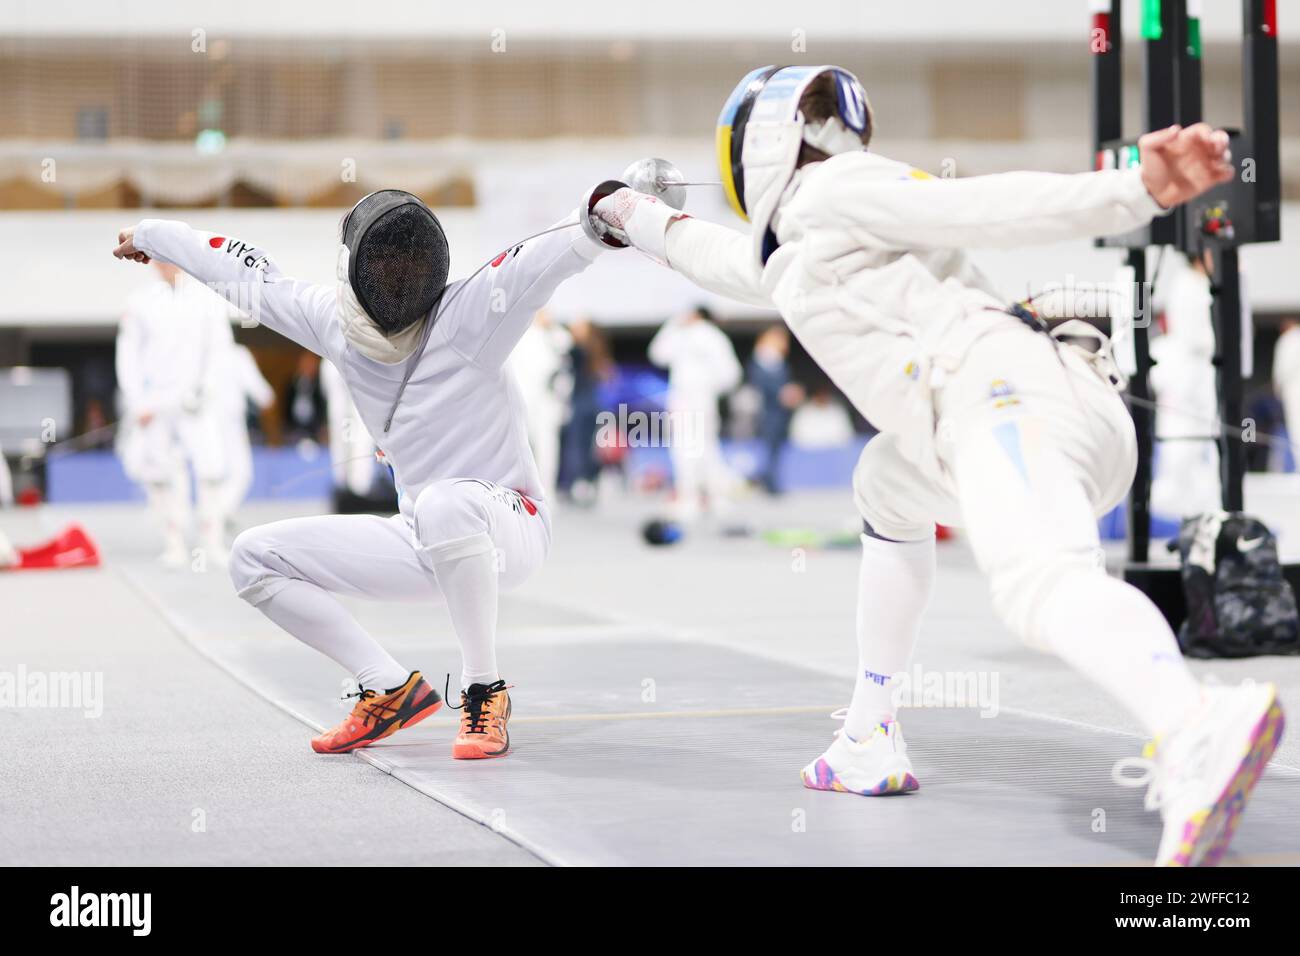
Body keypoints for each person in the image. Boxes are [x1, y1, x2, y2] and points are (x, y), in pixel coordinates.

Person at [592, 64, 1283, 866]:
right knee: (885, 482)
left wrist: (1136, 188)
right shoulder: (797, 246)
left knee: (1040, 589)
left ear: (757, 143)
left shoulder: (831, 193)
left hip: (1005, 397)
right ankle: (868, 737)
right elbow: (706, 252)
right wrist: (621, 210)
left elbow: (983, 204)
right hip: (1023, 408)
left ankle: (1196, 723)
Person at [113, 189, 605, 759]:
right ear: (359, 267)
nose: (398, 275)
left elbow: (544, 257)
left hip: (512, 529)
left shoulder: (471, 311)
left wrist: (601, 218)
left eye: (409, 263)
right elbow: (240, 269)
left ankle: (483, 689)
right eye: (386, 263)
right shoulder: (333, 322)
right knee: (253, 557)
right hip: (426, 535)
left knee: (447, 503)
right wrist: (152, 234)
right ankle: (388, 687)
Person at [115, 260, 234, 566]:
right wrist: (137, 400)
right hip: (156, 405)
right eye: (159, 258)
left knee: (211, 469)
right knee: (163, 474)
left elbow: (219, 349)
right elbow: (127, 355)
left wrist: (204, 390)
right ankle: (174, 543)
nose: (164, 265)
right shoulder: (139, 302)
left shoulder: (207, 299)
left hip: (196, 404)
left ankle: (212, 541)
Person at [647, 306, 742, 524]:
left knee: (693, 449)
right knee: (698, 449)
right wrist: (672, 326)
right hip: (686, 400)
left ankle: (696, 499)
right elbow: (658, 355)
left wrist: (704, 388)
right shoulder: (683, 335)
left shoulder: (710, 337)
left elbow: (730, 374)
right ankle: (710, 498)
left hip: (698, 400)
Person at [1150, 251, 1220, 518]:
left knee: (1211, 437)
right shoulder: (1186, 283)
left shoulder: (1205, 283)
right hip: (1190, 373)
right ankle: (1168, 503)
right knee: (1182, 439)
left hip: (1205, 371)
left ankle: (1208, 503)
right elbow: (1194, 335)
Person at [509, 310, 572, 497]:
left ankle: (547, 490)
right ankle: (523, 490)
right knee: (523, 445)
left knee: (548, 447)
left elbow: (566, 343)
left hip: (548, 402)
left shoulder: (554, 336)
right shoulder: (520, 333)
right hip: (524, 400)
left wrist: (551, 326)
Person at [216, 343, 275, 518]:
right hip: (230, 422)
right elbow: (261, 393)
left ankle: (214, 515)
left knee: (215, 473)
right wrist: (268, 397)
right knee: (241, 473)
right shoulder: (237, 354)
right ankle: (219, 513)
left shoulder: (201, 351)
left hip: (204, 424)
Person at [747, 325, 801, 493]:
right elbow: (760, 384)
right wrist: (780, 393)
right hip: (767, 411)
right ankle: (768, 482)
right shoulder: (761, 359)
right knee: (769, 448)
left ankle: (771, 480)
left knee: (777, 448)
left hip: (780, 411)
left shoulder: (778, 361)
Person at [1274, 317, 1300, 469]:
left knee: (1296, 426)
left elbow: (1282, 369)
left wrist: (1278, 388)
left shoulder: (1288, 340)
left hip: (1293, 389)